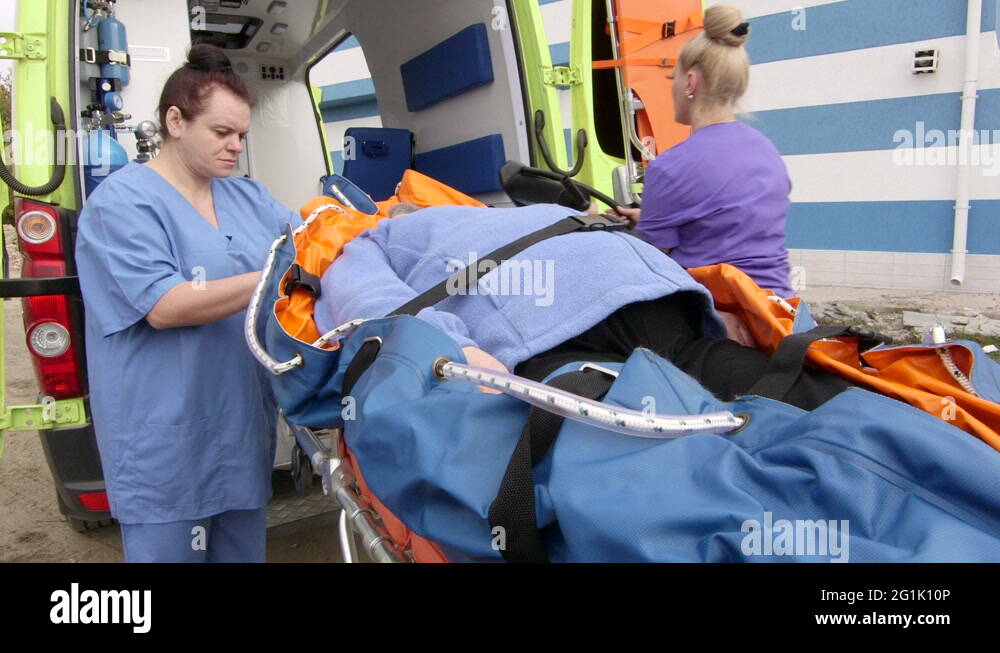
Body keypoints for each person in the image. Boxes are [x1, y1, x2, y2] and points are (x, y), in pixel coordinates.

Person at [74, 45, 302, 562]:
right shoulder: (121, 204)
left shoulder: (246, 196)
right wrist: (277, 274)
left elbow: (312, 239)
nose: (235, 147)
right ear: (175, 121)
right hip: (163, 440)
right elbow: (168, 305)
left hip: (238, 425)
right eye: (222, 133)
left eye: (242, 135)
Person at [314, 203, 852, 411]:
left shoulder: (406, 231)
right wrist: (456, 346)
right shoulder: (386, 235)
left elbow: (361, 297)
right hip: (619, 315)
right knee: (795, 398)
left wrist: (456, 345)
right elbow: (361, 292)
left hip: (574, 327)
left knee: (643, 448)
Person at [618, 5, 793, 297]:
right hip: (779, 314)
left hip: (718, 320)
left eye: (672, 78)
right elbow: (730, 225)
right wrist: (651, 217)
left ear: (690, 82)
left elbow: (650, 264)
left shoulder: (670, 166)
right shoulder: (768, 152)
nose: (671, 89)